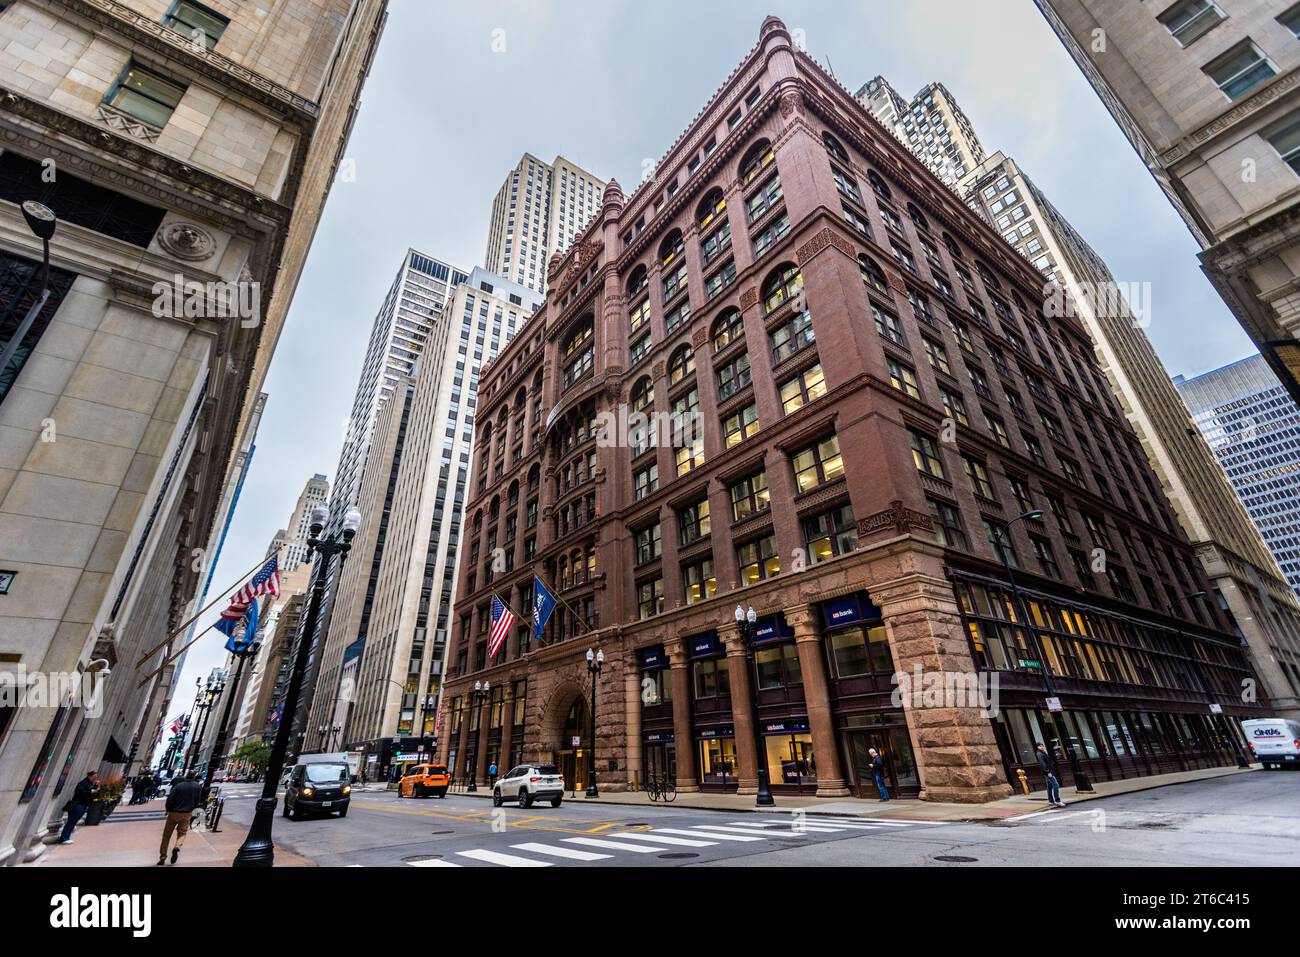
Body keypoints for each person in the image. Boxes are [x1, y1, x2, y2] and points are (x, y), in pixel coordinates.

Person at [159, 774, 202, 865]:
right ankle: (177, 846)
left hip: (174, 812)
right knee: (182, 833)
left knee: (166, 835)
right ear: (194, 777)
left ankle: (163, 856)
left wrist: (168, 809)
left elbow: (170, 798)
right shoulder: (197, 786)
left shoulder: (179, 786)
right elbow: (197, 801)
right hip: (187, 813)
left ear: (186, 777)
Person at [58, 772, 99, 844]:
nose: (95, 778)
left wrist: (95, 787)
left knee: (73, 822)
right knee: (71, 822)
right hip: (78, 805)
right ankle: (64, 838)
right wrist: (91, 791)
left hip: (82, 804)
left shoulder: (89, 783)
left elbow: (91, 793)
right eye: (93, 777)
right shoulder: (83, 783)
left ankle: (66, 837)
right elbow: (81, 792)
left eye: (96, 777)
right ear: (89, 776)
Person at [1036, 742, 1066, 807]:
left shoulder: (1042, 753)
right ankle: (1057, 801)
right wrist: (1048, 772)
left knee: (1049, 786)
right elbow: (1042, 763)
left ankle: (1051, 801)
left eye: (1042, 746)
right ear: (1037, 747)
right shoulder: (1039, 754)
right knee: (1056, 785)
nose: (1042, 747)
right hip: (1047, 772)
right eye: (1040, 746)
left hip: (1048, 771)